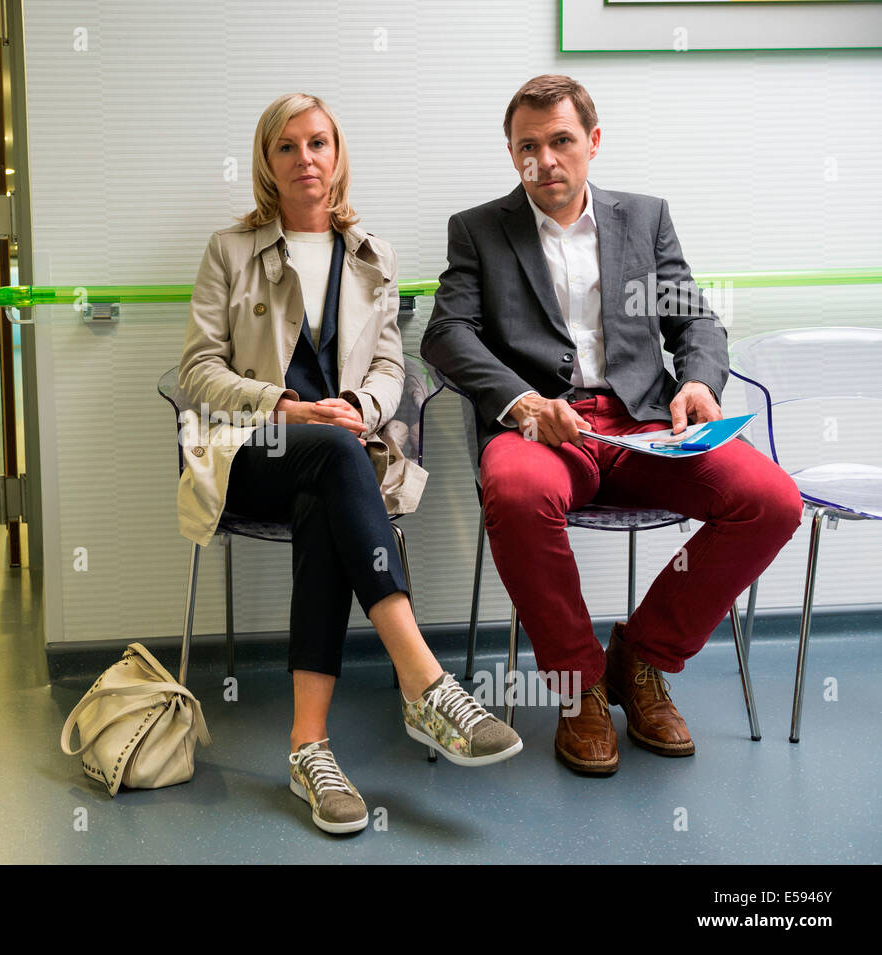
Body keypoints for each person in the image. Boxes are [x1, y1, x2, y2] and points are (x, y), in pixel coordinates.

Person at [421, 74, 803, 776]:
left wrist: (696, 381)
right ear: (512, 156)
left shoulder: (645, 217)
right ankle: (579, 684)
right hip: (546, 430)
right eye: (527, 147)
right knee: (512, 489)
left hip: (645, 427)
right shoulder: (478, 230)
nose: (546, 161)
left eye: (561, 141)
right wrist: (525, 404)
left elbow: (695, 320)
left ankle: (644, 658)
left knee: (771, 500)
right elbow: (447, 333)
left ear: (592, 142)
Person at [177, 93, 522, 833]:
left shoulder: (373, 255)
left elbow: (394, 367)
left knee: (329, 491)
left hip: (340, 460)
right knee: (335, 459)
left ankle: (309, 749)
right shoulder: (228, 251)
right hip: (252, 450)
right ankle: (424, 682)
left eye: (318, 143)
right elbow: (199, 372)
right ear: (268, 165)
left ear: (338, 156)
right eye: (287, 147)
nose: (306, 158)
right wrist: (290, 407)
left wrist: (361, 409)